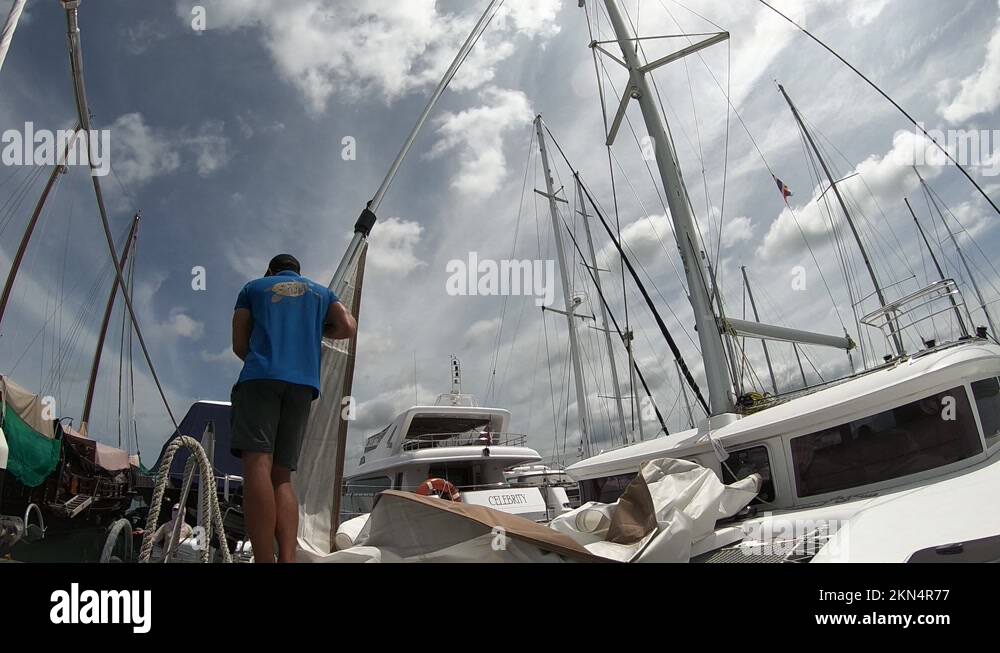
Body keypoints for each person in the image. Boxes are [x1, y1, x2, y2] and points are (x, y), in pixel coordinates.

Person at [231, 254, 357, 563]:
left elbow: (239, 344)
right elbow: (348, 326)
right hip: (303, 385)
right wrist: (317, 328)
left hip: (260, 377)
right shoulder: (321, 293)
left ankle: (263, 559)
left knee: (258, 464)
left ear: (271, 270)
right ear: (299, 271)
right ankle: (287, 559)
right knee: (282, 476)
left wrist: (265, 358)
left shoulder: (253, 288)